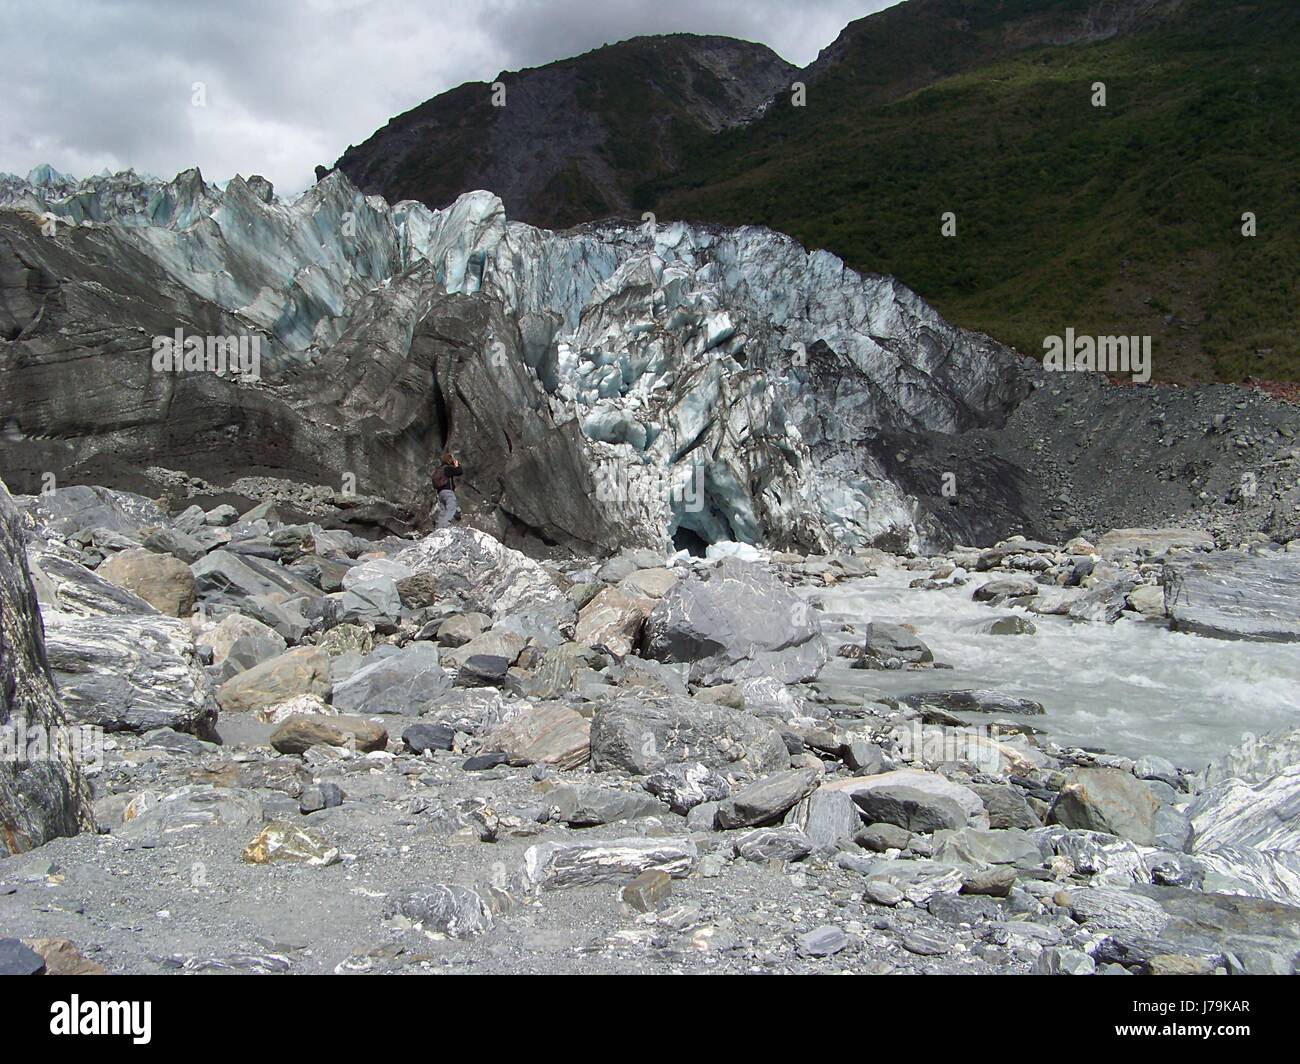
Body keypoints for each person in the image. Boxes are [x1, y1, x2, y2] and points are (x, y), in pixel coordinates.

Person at [432, 451, 463, 529]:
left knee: (443, 511)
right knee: (451, 507)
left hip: (440, 493)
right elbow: (459, 471)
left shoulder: (439, 469)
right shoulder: (447, 468)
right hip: (447, 492)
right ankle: (445, 525)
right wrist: (457, 464)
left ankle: (439, 529)